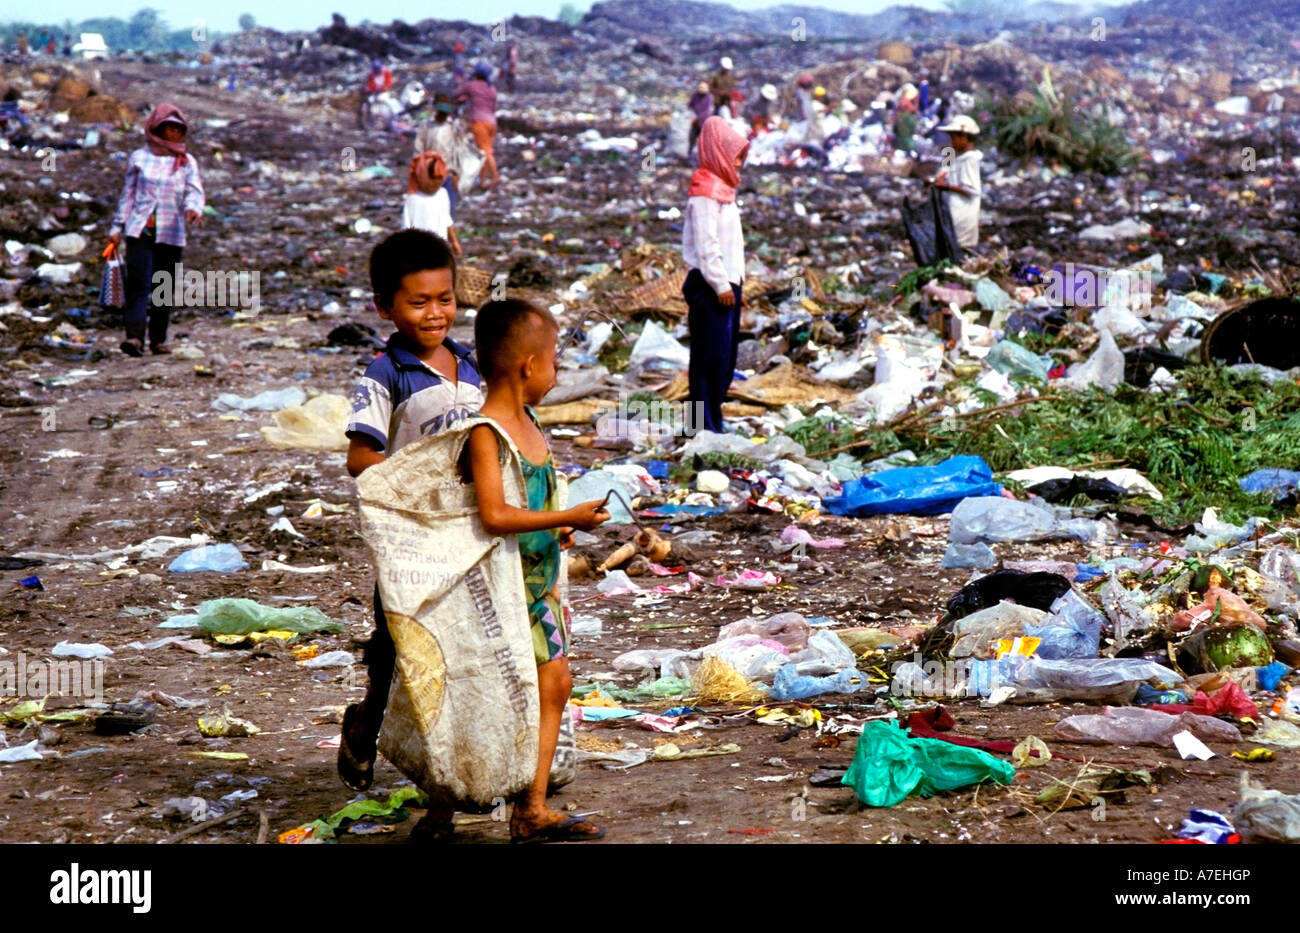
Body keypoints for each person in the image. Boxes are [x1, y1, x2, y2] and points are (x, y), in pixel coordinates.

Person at [338, 229, 485, 804]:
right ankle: (366, 723)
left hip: (470, 533)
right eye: (418, 302)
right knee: (400, 646)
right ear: (386, 308)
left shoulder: (473, 366)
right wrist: (423, 475)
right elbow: (359, 458)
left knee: (463, 650)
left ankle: (452, 780)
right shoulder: (385, 375)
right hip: (410, 538)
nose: (435, 313)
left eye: (445, 298)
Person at [460, 298, 610, 842]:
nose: (557, 372)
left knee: (556, 682)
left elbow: (529, 502)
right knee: (488, 689)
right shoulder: (487, 431)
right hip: (501, 590)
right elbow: (495, 514)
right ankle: (446, 807)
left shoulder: (529, 420)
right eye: (554, 361)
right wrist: (566, 515)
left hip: (539, 582)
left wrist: (557, 528)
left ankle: (532, 806)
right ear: (528, 366)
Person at [107, 104, 204, 357]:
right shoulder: (140, 158)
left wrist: (193, 209)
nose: (172, 133)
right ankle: (135, 338)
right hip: (141, 230)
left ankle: (158, 339)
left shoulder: (185, 161)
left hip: (171, 231)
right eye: (168, 128)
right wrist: (117, 227)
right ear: (156, 129)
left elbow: (194, 190)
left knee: (164, 287)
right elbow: (128, 195)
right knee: (138, 286)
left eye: (177, 129)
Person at [681, 116, 748, 436]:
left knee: (723, 359)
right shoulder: (705, 192)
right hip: (711, 286)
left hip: (727, 283)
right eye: (735, 154)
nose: (739, 162)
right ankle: (701, 426)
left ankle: (712, 422)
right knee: (708, 360)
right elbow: (707, 244)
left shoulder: (723, 190)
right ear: (717, 151)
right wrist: (721, 283)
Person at [928, 114, 982, 251]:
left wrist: (946, 186)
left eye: (954, 138)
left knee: (960, 248)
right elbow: (944, 170)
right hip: (951, 210)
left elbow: (973, 189)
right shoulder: (951, 153)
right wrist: (935, 180)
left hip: (963, 213)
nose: (951, 142)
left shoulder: (970, 159)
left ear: (964, 137)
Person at [416, 94, 471, 213]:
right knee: (429, 212)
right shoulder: (425, 126)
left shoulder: (453, 127)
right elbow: (418, 151)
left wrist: (457, 175)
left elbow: (460, 153)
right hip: (429, 175)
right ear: (435, 108)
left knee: (447, 213)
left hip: (448, 175)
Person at [402, 151, 461, 255]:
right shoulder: (412, 199)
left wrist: (454, 242)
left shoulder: (442, 194)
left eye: (439, 184)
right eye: (432, 184)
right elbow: (406, 229)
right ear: (423, 178)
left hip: (440, 248)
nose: (435, 188)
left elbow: (446, 220)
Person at [454, 62, 499, 191]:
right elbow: (494, 107)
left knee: (485, 151)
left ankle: (496, 177)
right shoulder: (491, 89)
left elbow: (455, 94)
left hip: (479, 121)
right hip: (492, 122)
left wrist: (466, 97)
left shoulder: (471, 86)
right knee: (486, 151)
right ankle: (483, 182)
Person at [360, 58, 393, 129]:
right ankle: (372, 122)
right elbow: (370, 83)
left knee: (384, 105)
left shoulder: (386, 71)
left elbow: (389, 81)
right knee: (371, 106)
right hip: (374, 92)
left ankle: (386, 121)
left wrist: (384, 88)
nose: (377, 73)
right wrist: (374, 89)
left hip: (383, 92)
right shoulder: (371, 74)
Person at [687, 80, 712, 152]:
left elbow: (707, 110)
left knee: (704, 139)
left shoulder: (708, 97)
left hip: (704, 121)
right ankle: (691, 152)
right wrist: (693, 116)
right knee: (692, 137)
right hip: (695, 121)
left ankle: (703, 153)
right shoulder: (695, 96)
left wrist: (699, 118)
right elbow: (690, 106)